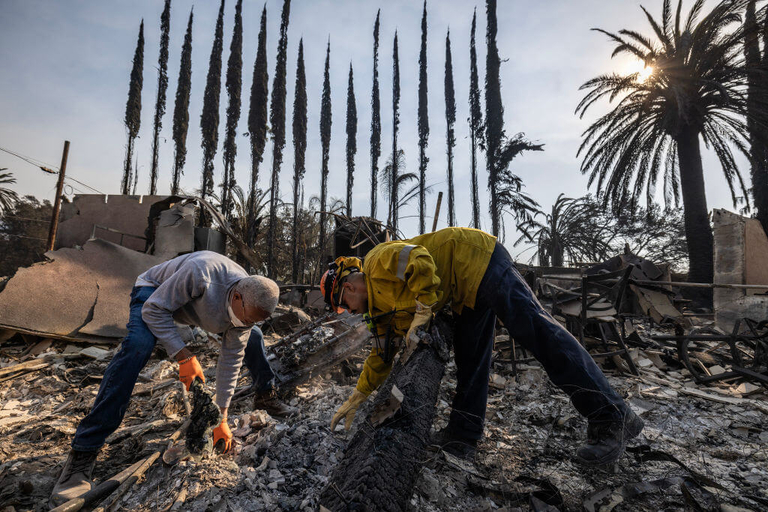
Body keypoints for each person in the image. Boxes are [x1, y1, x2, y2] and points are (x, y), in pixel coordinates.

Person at [321, 227, 643, 464]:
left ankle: (612, 416)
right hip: (464, 291)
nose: (348, 312)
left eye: (344, 305)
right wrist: (357, 396)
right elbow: (381, 356)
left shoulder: (377, 261)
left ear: (348, 286)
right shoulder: (378, 314)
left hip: (477, 258)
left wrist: (423, 307)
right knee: (471, 359)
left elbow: (420, 261)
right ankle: (464, 434)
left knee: (538, 331)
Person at [51, 251, 296, 505]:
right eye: (246, 319)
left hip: (191, 307)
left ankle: (266, 394)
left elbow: (231, 360)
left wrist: (222, 416)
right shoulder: (202, 274)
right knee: (138, 344)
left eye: (251, 321)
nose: (244, 325)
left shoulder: (245, 309)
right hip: (154, 293)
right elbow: (154, 309)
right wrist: (183, 355)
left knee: (253, 338)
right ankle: (84, 451)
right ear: (236, 297)